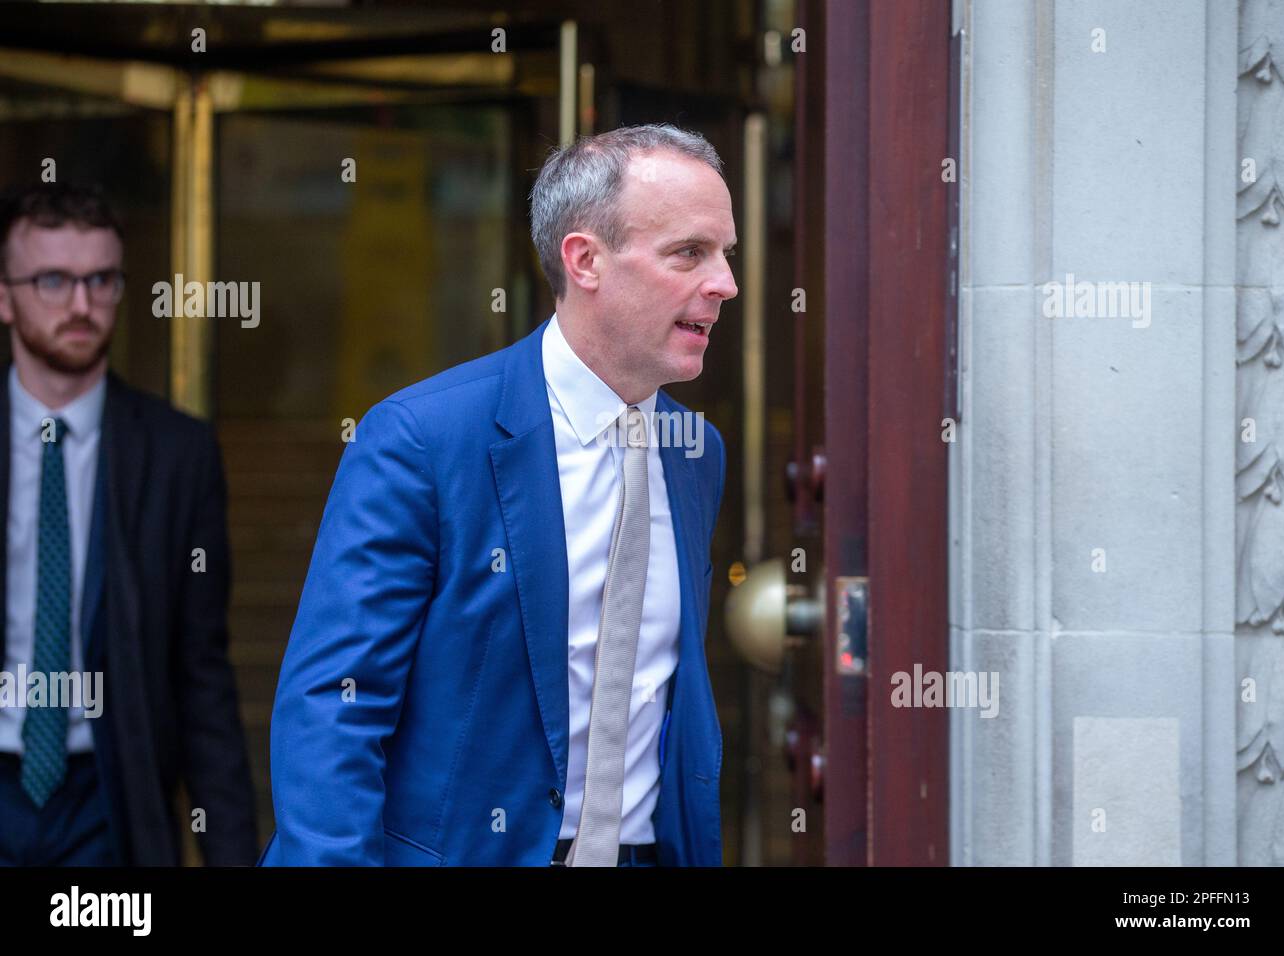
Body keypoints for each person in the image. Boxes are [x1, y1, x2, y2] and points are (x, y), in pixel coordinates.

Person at [260, 123, 738, 867]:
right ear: (586, 260)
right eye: (689, 253)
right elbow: (335, 706)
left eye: (725, 255)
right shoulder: (424, 439)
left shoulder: (697, 452)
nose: (724, 283)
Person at [0, 183, 258, 865]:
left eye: (100, 281)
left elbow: (201, 673)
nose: (81, 305)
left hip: (109, 799)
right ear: (5, 297)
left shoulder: (179, 454)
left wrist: (230, 853)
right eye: (53, 280)